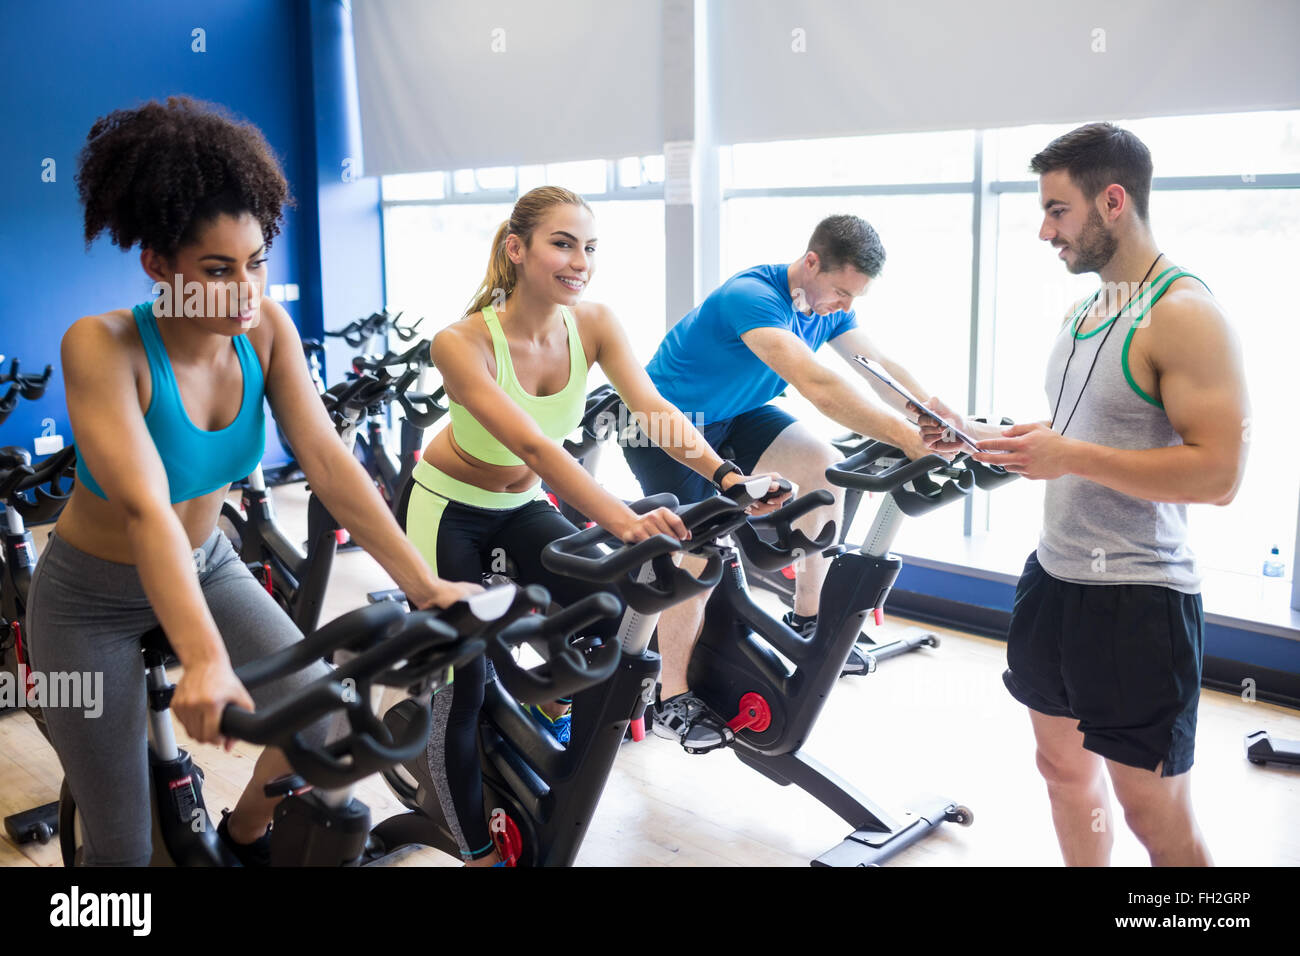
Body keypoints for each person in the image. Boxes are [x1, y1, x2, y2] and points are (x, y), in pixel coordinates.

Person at [26, 97, 479, 867]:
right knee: (124, 856)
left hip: (208, 567)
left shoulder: (265, 331)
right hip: (90, 603)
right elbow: (145, 509)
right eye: (217, 270)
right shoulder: (102, 347)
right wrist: (204, 658)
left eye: (257, 261)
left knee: (328, 716)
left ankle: (242, 838)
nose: (245, 289)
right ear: (158, 266)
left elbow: (329, 463)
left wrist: (424, 583)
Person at [408, 185, 787, 866]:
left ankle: (543, 710)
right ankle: (471, 849)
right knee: (459, 684)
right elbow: (535, 448)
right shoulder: (461, 343)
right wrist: (621, 519)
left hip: (520, 508)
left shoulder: (596, 323)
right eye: (562, 243)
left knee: (601, 611)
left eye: (589, 247)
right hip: (449, 513)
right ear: (516, 249)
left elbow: (653, 408)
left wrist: (730, 478)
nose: (579, 260)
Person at [919, 122, 1248, 866]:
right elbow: (1082, 435)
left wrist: (1068, 454)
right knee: (1063, 772)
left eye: (1057, 211)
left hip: (1138, 599)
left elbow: (1218, 476)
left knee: (1151, 813)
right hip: (1055, 580)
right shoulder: (1087, 310)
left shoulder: (1185, 314)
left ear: (1112, 201)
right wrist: (981, 434)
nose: (1043, 230)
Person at [621, 214, 936, 740]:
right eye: (840, 291)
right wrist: (907, 438)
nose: (845, 305)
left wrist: (942, 423)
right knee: (696, 554)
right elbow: (818, 385)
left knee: (821, 464)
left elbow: (879, 366)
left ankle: (807, 614)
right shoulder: (752, 295)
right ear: (811, 262)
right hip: (664, 422)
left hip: (736, 413)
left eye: (855, 296)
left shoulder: (826, 306)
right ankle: (668, 692)